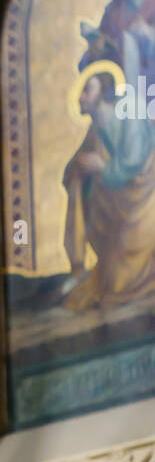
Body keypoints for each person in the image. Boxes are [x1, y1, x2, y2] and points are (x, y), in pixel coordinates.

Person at [63, 57, 155, 309]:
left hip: (145, 205)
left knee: (117, 285)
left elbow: (135, 162)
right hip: (116, 214)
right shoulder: (96, 130)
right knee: (112, 283)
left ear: (103, 94)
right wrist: (78, 170)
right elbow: (72, 168)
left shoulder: (130, 115)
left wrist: (102, 167)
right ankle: (79, 266)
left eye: (87, 89)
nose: (80, 96)